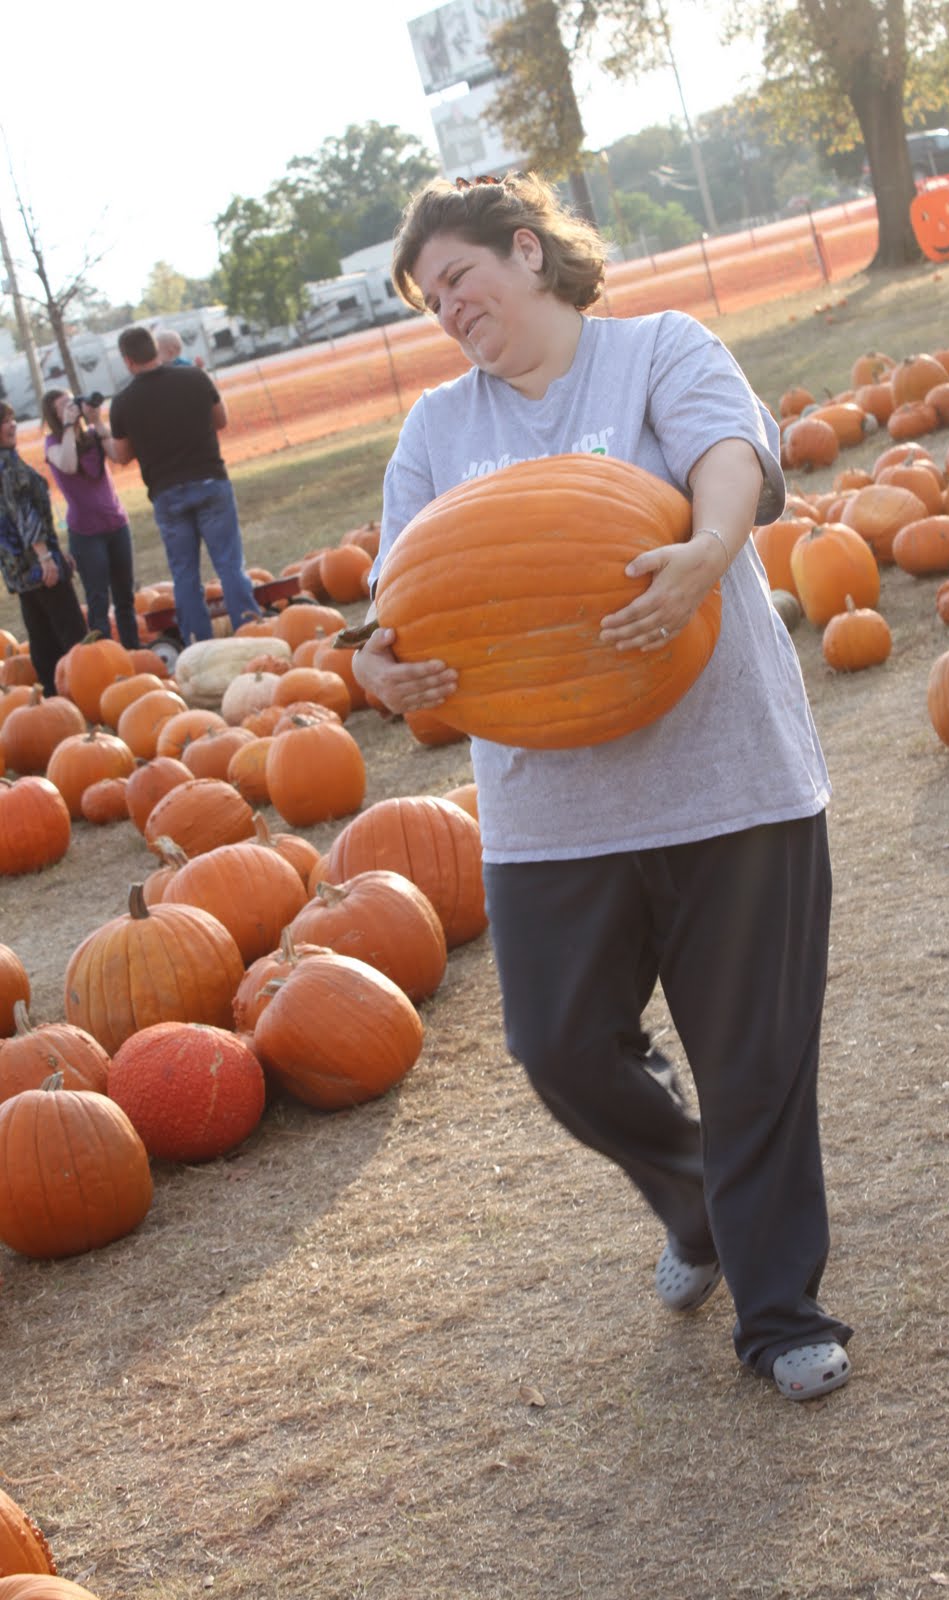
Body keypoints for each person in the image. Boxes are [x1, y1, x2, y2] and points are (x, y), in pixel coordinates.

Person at [355, 172, 853, 1402]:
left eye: (459, 278)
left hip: (726, 775)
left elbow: (730, 455)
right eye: (429, 300)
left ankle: (779, 1307)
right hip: (547, 802)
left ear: (526, 251)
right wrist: (381, 672)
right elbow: (394, 612)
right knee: (558, 1045)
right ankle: (694, 1199)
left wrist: (705, 548)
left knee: (755, 1059)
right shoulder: (435, 434)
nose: (448, 309)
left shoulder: (656, 353)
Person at [108, 325, 261, 645]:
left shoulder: (123, 402)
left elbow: (121, 455)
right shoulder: (194, 378)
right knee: (230, 566)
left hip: (166, 492)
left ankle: (199, 643)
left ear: (127, 360)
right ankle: (250, 630)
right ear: (155, 348)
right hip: (210, 480)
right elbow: (221, 420)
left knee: (185, 576)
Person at [41, 390, 140, 649]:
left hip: (116, 523)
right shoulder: (53, 445)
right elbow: (70, 464)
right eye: (64, 406)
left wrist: (96, 420)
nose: (72, 408)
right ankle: (104, 654)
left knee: (125, 596)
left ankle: (133, 649)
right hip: (86, 533)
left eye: (72, 402)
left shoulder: (94, 436)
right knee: (98, 600)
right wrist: (68, 427)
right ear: (54, 416)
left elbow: (118, 456)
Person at [0, 402, 86, 694]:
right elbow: (25, 514)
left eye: (12, 418)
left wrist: (53, 550)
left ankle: (51, 693)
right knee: (72, 633)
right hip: (37, 566)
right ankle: (83, 690)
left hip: (19, 570)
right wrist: (46, 557)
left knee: (41, 636)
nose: (12, 425)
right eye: (4, 422)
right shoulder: (9, 467)